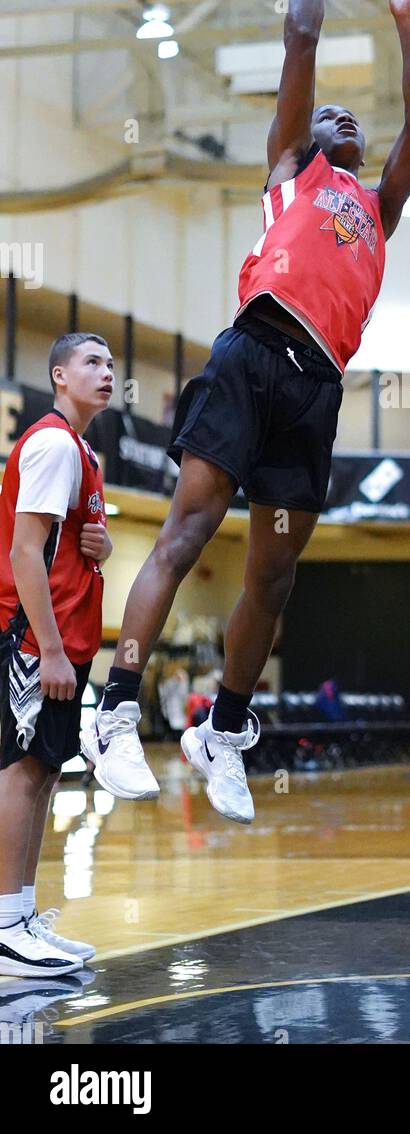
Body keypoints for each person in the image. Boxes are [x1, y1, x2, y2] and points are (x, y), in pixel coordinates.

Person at [81, 0, 410, 824]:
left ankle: (223, 728)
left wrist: (408, 27)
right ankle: (114, 710)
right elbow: (302, 43)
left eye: (345, 115)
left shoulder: (380, 207)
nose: (336, 113)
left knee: (273, 576)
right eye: (326, 114)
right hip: (254, 356)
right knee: (187, 533)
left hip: (316, 388)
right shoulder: (292, 171)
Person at [0, 333, 114, 977]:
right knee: (20, 769)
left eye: (109, 365)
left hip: (61, 640)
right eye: (91, 363)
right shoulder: (50, 442)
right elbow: (23, 552)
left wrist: (94, 546)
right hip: (33, 638)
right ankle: (4, 928)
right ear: (58, 376)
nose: (105, 374)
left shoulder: (81, 450)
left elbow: (58, 547)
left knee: (43, 771)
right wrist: (46, 647)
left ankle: (19, 915)